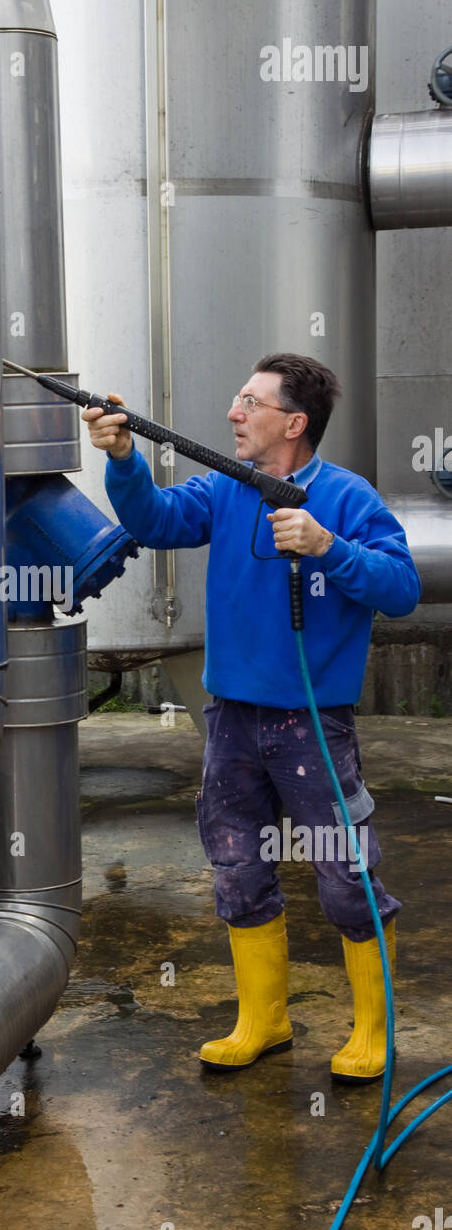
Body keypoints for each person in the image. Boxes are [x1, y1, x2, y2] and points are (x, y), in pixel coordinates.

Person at [83, 354, 421, 1082]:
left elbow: (401, 588)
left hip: (311, 724)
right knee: (237, 868)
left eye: (249, 402)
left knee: (343, 873)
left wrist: (330, 548)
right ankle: (263, 1020)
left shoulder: (348, 498)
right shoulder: (227, 490)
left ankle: (375, 1032)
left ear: (294, 424)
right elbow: (155, 519)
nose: (233, 413)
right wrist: (122, 459)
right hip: (231, 719)